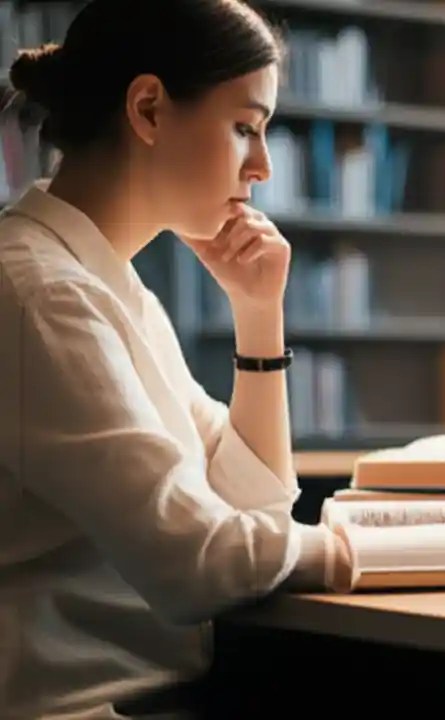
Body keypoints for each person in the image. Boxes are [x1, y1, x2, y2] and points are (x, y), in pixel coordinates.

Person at [0, 0, 353, 717]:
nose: (263, 167)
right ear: (151, 110)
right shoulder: (41, 296)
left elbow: (251, 504)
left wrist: (258, 316)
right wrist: (359, 553)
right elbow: (199, 564)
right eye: (245, 127)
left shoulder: (109, 286)